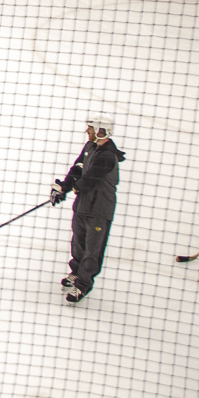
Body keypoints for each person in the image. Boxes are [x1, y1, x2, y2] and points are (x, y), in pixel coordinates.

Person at [50, 117, 125, 303]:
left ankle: (83, 285)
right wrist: (63, 187)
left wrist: (74, 187)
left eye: (90, 130)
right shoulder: (90, 147)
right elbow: (78, 169)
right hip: (83, 206)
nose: (87, 132)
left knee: (93, 249)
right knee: (78, 242)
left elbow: (90, 179)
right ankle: (76, 273)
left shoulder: (107, 156)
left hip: (99, 209)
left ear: (102, 132)